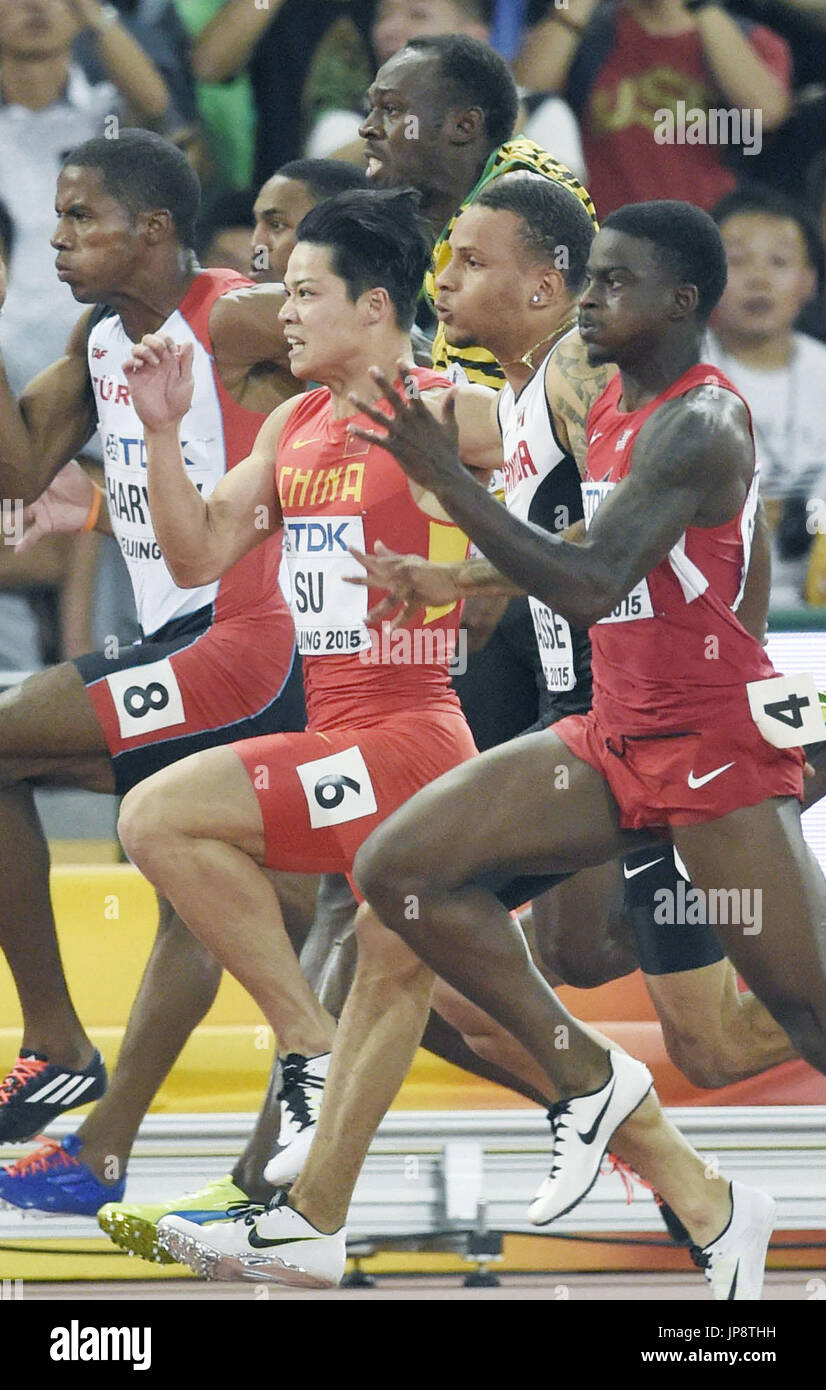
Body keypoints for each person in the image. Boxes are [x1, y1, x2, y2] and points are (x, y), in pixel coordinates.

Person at [115, 187, 774, 1301]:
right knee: (430, 979)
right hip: (434, 731)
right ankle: (691, 1187)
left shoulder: (456, 407)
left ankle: (327, 1073)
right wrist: (166, 433)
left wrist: (477, 549)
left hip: (431, 729)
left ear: (374, 308)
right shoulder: (293, 425)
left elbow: (582, 513)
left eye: (305, 291)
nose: (281, 309)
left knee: (164, 818)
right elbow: (194, 556)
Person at [0, 152, 376, 1222]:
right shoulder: (100, 336)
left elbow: (385, 358)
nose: (58, 234)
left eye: (81, 215)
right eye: (54, 213)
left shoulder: (242, 317)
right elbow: (21, 471)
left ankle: (58, 1043)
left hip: (253, 645)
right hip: (184, 639)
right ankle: (103, 1148)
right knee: (196, 905)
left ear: (153, 225)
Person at [512, 0, 792, 216]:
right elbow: (521, 99)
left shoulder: (751, 38)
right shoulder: (590, 34)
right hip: (605, 237)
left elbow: (766, 113)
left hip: (710, 240)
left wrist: (701, 6)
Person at [705, 185, 826, 610]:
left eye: (779, 261)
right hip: (713, 613)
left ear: (808, 281)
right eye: (737, 261)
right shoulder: (676, 373)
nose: (758, 278)